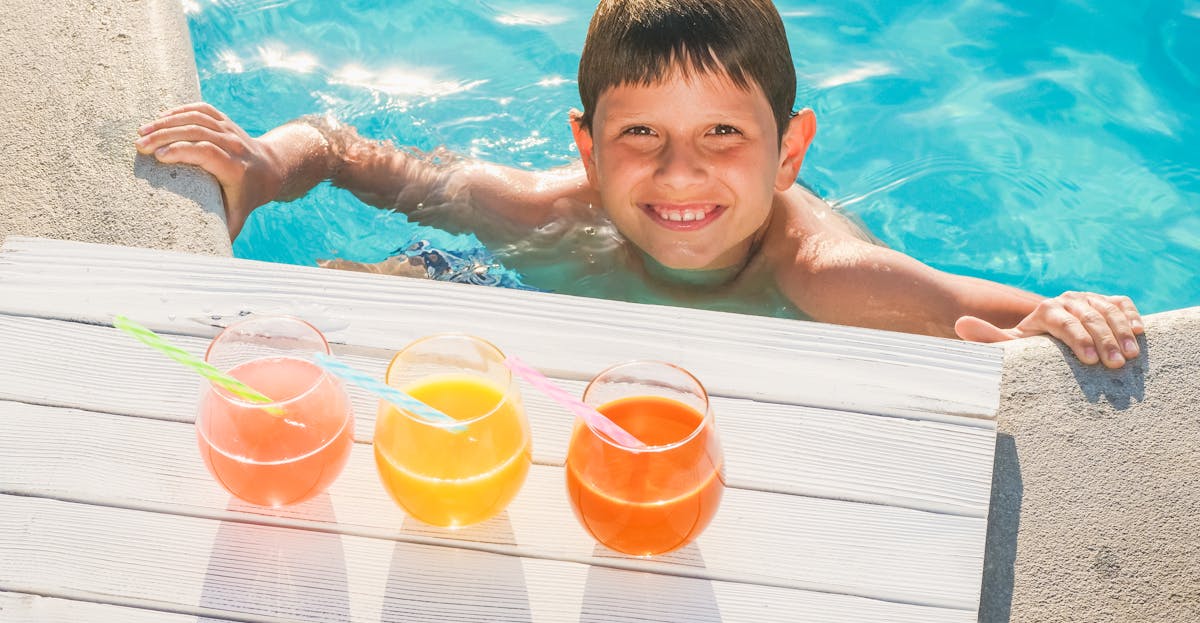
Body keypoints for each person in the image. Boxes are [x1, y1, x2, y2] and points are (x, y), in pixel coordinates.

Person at [135, 0, 1143, 368]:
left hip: (739, 365)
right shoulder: (553, 217)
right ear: (586, 146)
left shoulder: (821, 272)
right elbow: (350, 153)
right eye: (641, 137)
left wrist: (1062, 322)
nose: (679, 174)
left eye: (721, 135)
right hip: (531, 304)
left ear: (789, 154)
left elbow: (985, 317)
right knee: (363, 285)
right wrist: (264, 166)